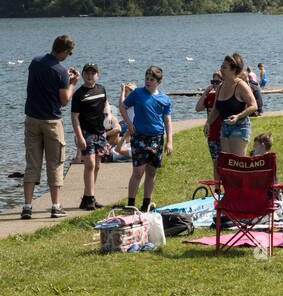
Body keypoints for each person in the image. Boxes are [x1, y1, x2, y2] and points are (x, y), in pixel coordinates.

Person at [22, 34, 79, 220]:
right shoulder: (61, 72)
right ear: (63, 51)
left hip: (32, 119)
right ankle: (55, 206)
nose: (68, 56)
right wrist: (71, 83)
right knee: (55, 163)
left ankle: (27, 207)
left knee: (32, 163)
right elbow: (64, 101)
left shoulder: (35, 62)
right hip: (52, 121)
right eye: (69, 53)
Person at [120, 65, 173, 212]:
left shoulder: (164, 99)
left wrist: (169, 141)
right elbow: (123, 107)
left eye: (151, 79)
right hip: (139, 136)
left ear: (158, 81)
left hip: (156, 138)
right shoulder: (137, 93)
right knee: (138, 171)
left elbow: (167, 120)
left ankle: (146, 203)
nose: (148, 81)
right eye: (146, 78)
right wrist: (129, 124)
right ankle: (131, 204)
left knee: (151, 171)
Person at [71, 63, 115, 211]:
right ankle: (89, 199)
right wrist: (79, 137)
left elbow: (106, 103)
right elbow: (74, 117)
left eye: (93, 73)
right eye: (87, 73)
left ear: (97, 75)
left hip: (100, 132)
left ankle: (89, 196)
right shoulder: (78, 94)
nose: (90, 76)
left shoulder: (101, 89)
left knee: (97, 165)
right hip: (86, 133)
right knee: (89, 164)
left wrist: (108, 114)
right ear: (83, 75)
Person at [207, 53, 257, 156]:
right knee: (228, 164)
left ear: (233, 70)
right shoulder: (220, 87)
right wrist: (208, 123)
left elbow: (253, 106)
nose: (221, 69)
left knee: (237, 164)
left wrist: (238, 116)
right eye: (221, 66)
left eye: (224, 67)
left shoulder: (241, 85)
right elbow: (216, 109)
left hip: (240, 127)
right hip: (224, 127)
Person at [196, 70, 224, 177]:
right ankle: (217, 189)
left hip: (223, 134)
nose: (215, 84)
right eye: (213, 81)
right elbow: (198, 108)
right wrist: (205, 93)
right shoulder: (210, 96)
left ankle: (228, 188)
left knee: (225, 163)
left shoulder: (225, 97)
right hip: (212, 135)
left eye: (218, 82)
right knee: (216, 163)